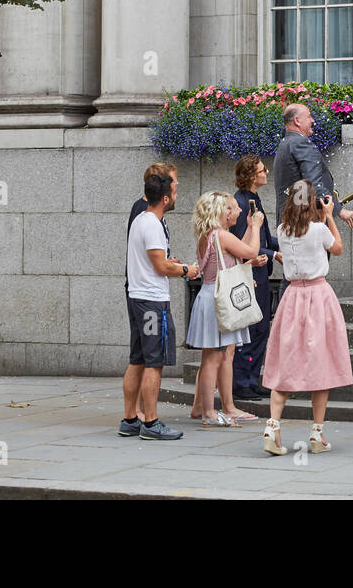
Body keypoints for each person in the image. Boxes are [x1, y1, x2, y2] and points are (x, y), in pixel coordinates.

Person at [262, 181, 353, 457]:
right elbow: (336, 248)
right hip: (318, 296)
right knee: (320, 363)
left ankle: (272, 426)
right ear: (312, 202)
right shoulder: (318, 230)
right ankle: (316, 433)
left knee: (285, 363)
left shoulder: (282, 230)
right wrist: (328, 217)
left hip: (292, 298)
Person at [120, 173, 201, 441]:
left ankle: (130, 420)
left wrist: (171, 263)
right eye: (175, 192)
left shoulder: (141, 220)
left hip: (138, 297)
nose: (177, 196)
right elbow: (160, 266)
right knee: (154, 362)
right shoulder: (152, 224)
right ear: (165, 198)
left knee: (138, 359)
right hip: (152, 302)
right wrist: (186, 269)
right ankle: (151, 423)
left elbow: (156, 259)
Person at [186, 190, 268, 427]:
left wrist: (249, 228)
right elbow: (251, 251)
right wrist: (256, 226)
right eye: (233, 208)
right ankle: (212, 413)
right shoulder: (221, 235)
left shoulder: (210, 236)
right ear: (222, 212)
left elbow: (237, 250)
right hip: (218, 300)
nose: (239, 211)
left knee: (213, 357)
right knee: (215, 357)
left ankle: (203, 407)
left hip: (209, 295)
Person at [231, 154, 281, 402]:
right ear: (251, 175)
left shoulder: (253, 199)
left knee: (260, 327)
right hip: (250, 274)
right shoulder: (242, 205)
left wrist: (285, 243)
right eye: (262, 170)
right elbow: (243, 244)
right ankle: (241, 382)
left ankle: (250, 379)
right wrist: (273, 253)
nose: (266, 173)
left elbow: (263, 239)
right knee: (253, 328)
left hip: (259, 273)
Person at [272, 103, 353, 229]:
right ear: (297, 121)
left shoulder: (285, 143)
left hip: (289, 221)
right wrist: (339, 210)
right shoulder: (301, 143)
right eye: (309, 116)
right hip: (305, 222)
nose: (313, 120)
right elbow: (313, 183)